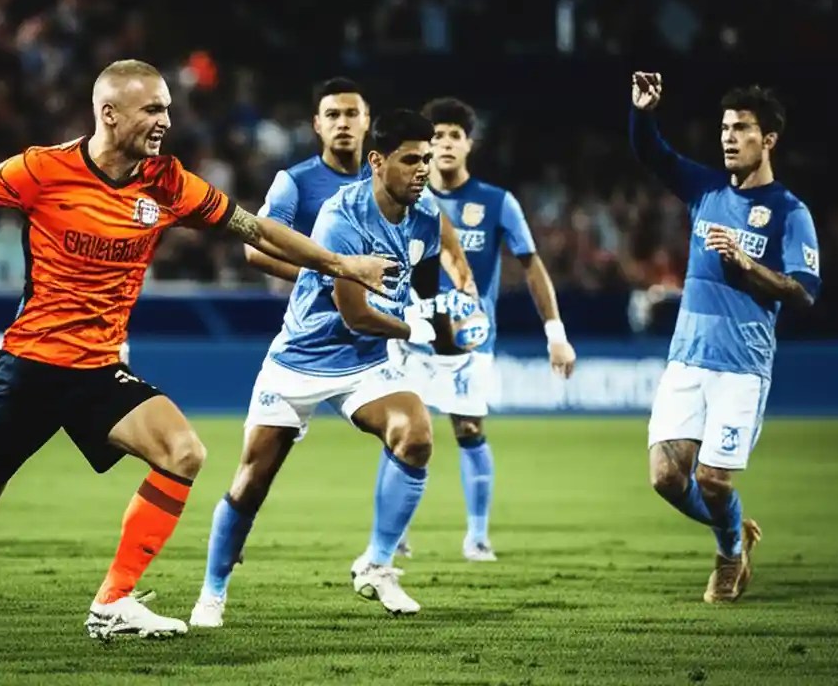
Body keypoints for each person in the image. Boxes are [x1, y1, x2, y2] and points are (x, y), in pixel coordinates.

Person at [0, 60, 395, 664]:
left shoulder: (168, 181)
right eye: (152, 109)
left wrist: (342, 265)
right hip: (31, 369)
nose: (165, 121)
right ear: (109, 113)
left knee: (182, 451)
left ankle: (113, 602)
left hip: (98, 370)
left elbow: (256, 230)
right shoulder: (42, 169)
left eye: (166, 109)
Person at [189, 109, 477, 628]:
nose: (421, 170)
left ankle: (376, 565)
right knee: (252, 480)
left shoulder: (426, 216)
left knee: (415, 435)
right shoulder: (343, 217)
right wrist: (413, 330)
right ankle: (213, 591)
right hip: (301, 359)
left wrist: (449, 331)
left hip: (365, 364)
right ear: (377, 161)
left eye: (426, 160)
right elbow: (355, 313)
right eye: (410, 160)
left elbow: (427, 287)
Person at [630, 72, 820, 603]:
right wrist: (642, 113)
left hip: (742, 366)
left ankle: (729, 553)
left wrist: (745, 263)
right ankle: (737, 533)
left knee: (713, 480)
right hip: (687, 359)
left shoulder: (789, 212)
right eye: (725, 128)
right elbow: (654, 155)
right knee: (666, 478)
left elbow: (804, 292)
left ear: (769, 140)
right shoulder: (706, 189)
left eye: (742, 129)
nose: (729, 138)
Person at [399, 96, 577, 562]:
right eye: (436, 136)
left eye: (454, 136)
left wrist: (556, 335)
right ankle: (394, 533)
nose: (445, 144)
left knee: (469, 428)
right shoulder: (406, 199)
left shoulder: (497, 202)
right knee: (402, 432)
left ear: (469, 145)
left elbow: (532, 266)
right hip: (412, 338)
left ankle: (477, 536)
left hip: (471, 339)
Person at [246, 77, 371, 282]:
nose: (342, 124)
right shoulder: (294, 181)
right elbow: (255, 249)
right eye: (332, 115)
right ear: (317, 124)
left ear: (366, 120)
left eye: (351, 114)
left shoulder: (383, 182)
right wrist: (321, 279)